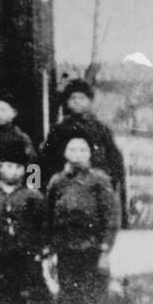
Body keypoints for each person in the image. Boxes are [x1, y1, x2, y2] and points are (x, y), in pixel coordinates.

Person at [45, 136, 121, 304]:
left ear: (89, 154)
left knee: (94, 294)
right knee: (69, 295)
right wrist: (50, 249)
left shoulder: (99, 180)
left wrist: (105, 249)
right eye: (72, 150)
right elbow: (49, 216)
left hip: (92, 245)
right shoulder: (57, 181)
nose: (77, 155)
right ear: (65, 153)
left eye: (82, 150)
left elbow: (111, 216)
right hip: (66, 246)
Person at [40, 79, 128, 226]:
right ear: (67, 102)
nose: (77, 102)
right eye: (72, 98)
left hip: (94, 186)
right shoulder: (58, 130)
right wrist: (35, 187)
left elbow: (115, 160)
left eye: (81, 98)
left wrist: (109, 181)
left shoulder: (101, 129)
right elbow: (43, 160)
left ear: (90, 101)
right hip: (65, 186)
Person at [0, 144, 47, 304]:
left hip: (25, 252)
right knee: (0, 287)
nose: (13, 171)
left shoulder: (32, 195)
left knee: (30, 286)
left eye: (18, 167)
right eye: (8, 166)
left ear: (24, 170)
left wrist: (39, 248)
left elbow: (42, 224)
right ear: (0, 168)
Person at [0, 95, 37, 186]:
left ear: (13, 113)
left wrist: (33, 188)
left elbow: (32, 163)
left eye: (3, 110)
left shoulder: (22, 138)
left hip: (18, 185)